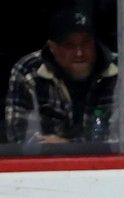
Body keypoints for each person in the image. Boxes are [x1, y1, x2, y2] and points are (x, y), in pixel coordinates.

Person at [4, 5, 117, 144]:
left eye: (86, 43)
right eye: (69, 45)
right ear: (52, 48)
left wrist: (68, 146)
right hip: (47, 164)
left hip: (109, 165)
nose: (79, 53)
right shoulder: (28, 71)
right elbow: (20, 139)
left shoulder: (122, 69)